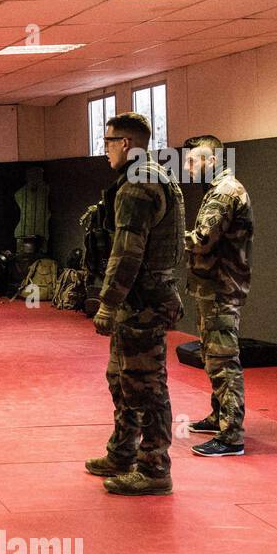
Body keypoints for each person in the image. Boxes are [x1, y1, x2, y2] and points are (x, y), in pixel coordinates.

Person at [86, 113, 186, 496]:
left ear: (126, 143)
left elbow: (127, 253)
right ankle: (123, 451)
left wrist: (108, 303)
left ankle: (155, 466)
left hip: (142, 300)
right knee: (122, 379)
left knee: (146, 386)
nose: (105, 150)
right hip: (141, 299)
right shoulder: (149, 177)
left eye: (108, 142)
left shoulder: (137, 187)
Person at [182, 135, 253, 457]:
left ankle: (231, 436)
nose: (187, 166)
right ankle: (219, 416)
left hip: (221, 288)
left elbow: (201, 241)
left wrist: (168, 235)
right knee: (212, 356)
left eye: (193, 160)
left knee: (224, 361)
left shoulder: (224, 193)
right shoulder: (217, 190)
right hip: (212, 287)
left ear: (212, 161)